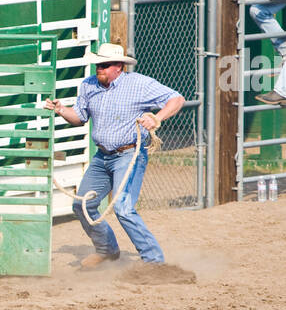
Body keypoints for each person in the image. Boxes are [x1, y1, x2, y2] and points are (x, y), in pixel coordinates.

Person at [43, 42, 185, 268]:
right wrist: (61, 110)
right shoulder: (88, 85)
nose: (99, 68)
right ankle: (107, 250)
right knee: (82, 206)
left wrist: (157, 118)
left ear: (119, 66)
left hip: (128, 154)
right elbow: (80, 117)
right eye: (98, 64)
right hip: (102, 157)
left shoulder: (139, 84)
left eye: (105, 65)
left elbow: (177, 99)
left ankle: (154, 262)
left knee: (123, 208)